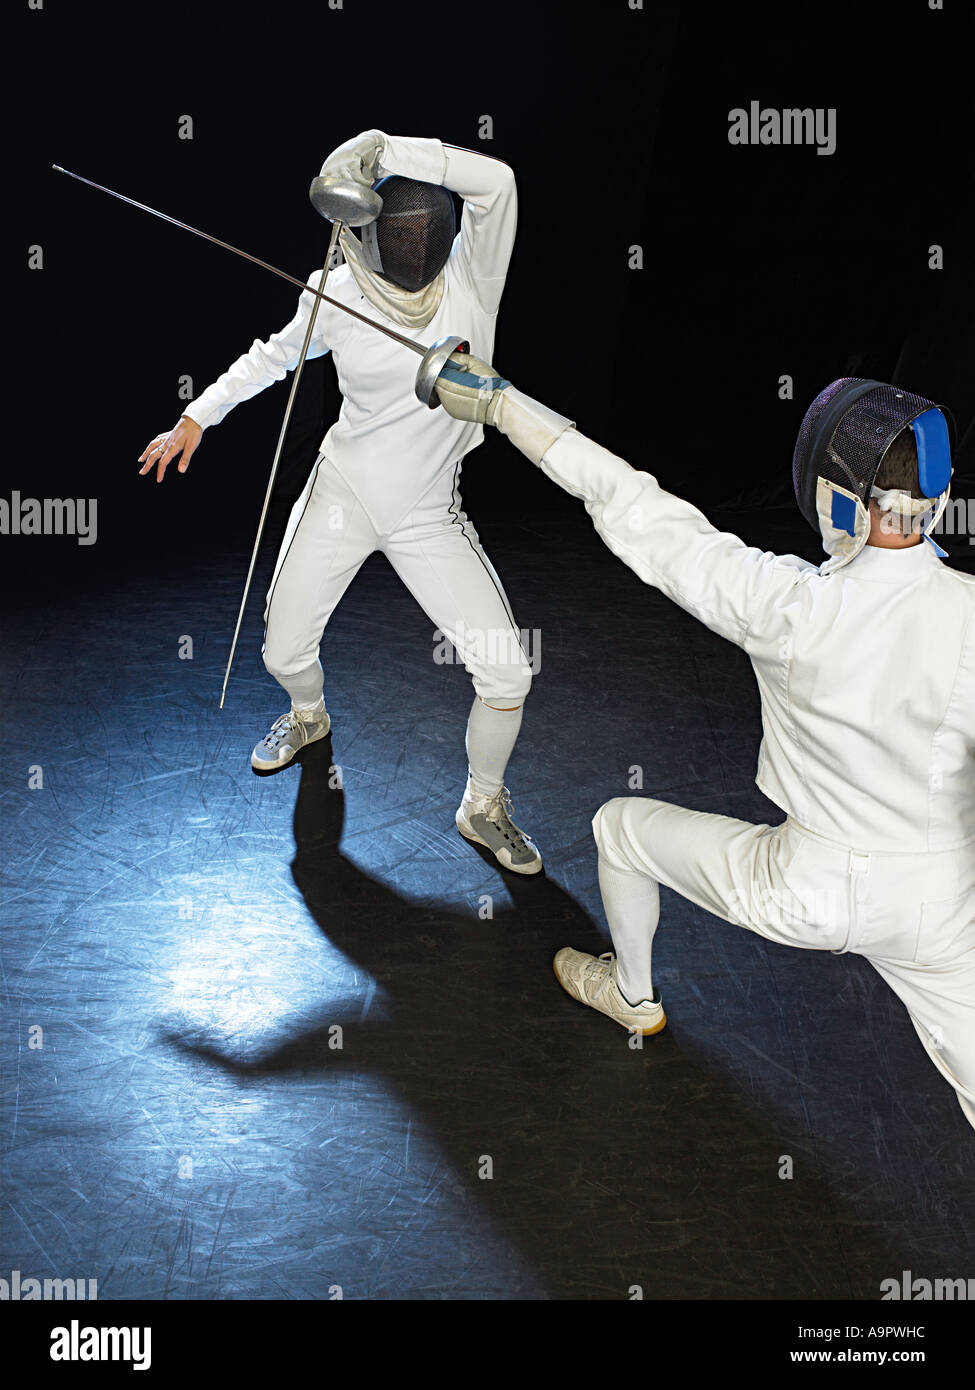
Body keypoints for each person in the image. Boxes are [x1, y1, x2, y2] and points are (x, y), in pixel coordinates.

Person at [431, 353, 975, 1129]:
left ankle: (632, 997)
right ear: (940, 495)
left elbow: (629, 503)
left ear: (836, 502)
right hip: (943, 909)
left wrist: (502, 406)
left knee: (619, 829)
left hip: (807, 892)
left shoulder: (783, 605)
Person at [137, 130, 541, 874]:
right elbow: (273, 355)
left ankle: (483, 803)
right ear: (371, 239)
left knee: (508, 672)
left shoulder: (472, 278)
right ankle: (308, 714)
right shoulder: (339, 289)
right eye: (402, 244)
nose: (416, 260)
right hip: (343, 495)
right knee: (281, 651)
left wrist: (385, 149)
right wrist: (199, 414)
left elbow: (498, 181)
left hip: (427, 511)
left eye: (428, 243)